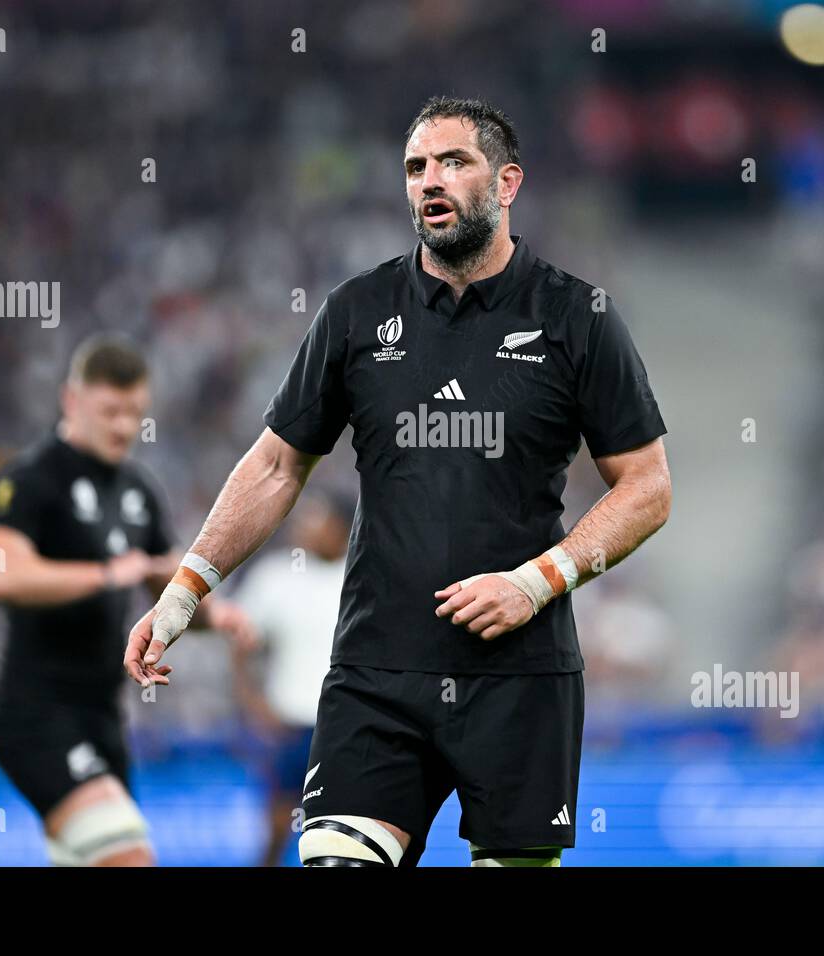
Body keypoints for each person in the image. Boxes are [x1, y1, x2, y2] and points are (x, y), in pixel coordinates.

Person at [124, 96, 672, 867]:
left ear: (507, 183)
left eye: (454, 162)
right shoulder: (357, 312)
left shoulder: (576, 316)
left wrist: (539, 580)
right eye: (416, 167)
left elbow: (647, 487)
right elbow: (279, 463)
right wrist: (185, 591)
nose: (430, 181)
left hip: (520, 677)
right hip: (377, 674)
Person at [0, 334, 242, 866]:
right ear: (71, 401)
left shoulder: (139, 490)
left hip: (103, 720)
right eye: (111, 411)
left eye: (134, 412)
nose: (124, 426)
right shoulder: (30, 480)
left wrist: (220, 615)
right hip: (37, 714)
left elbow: (168, 590)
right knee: (128, 856)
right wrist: (104, 574)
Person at [230, 492, 351, 866]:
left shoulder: (362, 572)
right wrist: (254, 705)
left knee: (348, 830)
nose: (305, 527)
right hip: (292, 725)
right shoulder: (276, 576)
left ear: (342, 527)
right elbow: (240, 645)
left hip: (348, 722)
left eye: (318, 518)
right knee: (278, 827)